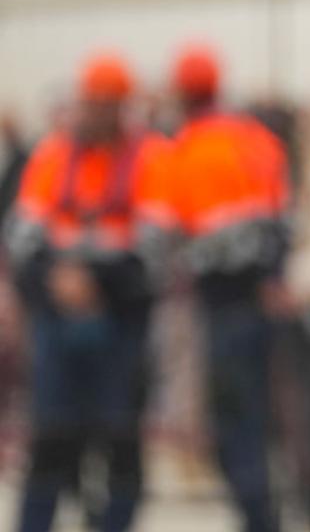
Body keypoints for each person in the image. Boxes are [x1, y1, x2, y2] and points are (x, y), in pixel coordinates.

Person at [5, 53, 172, 532]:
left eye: (103, 105)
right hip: (58, 322)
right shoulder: (52, 156)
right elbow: (22, 240)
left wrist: (93, 283)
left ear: (122, 108)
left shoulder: (151, 157)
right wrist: (56, 281)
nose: (91, 114)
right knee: (50, 439)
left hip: (122, 324)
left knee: (120, 440)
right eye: (87, 104)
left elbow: (155, 252)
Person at [165, 42, 291, 532]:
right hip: (266, 300)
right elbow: (282, 219)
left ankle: (258, 519)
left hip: (221, 307)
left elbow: (178, 240)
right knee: (260, 421)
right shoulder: (258, 139)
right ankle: (267, 515)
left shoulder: (185, 150)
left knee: (232, 425)